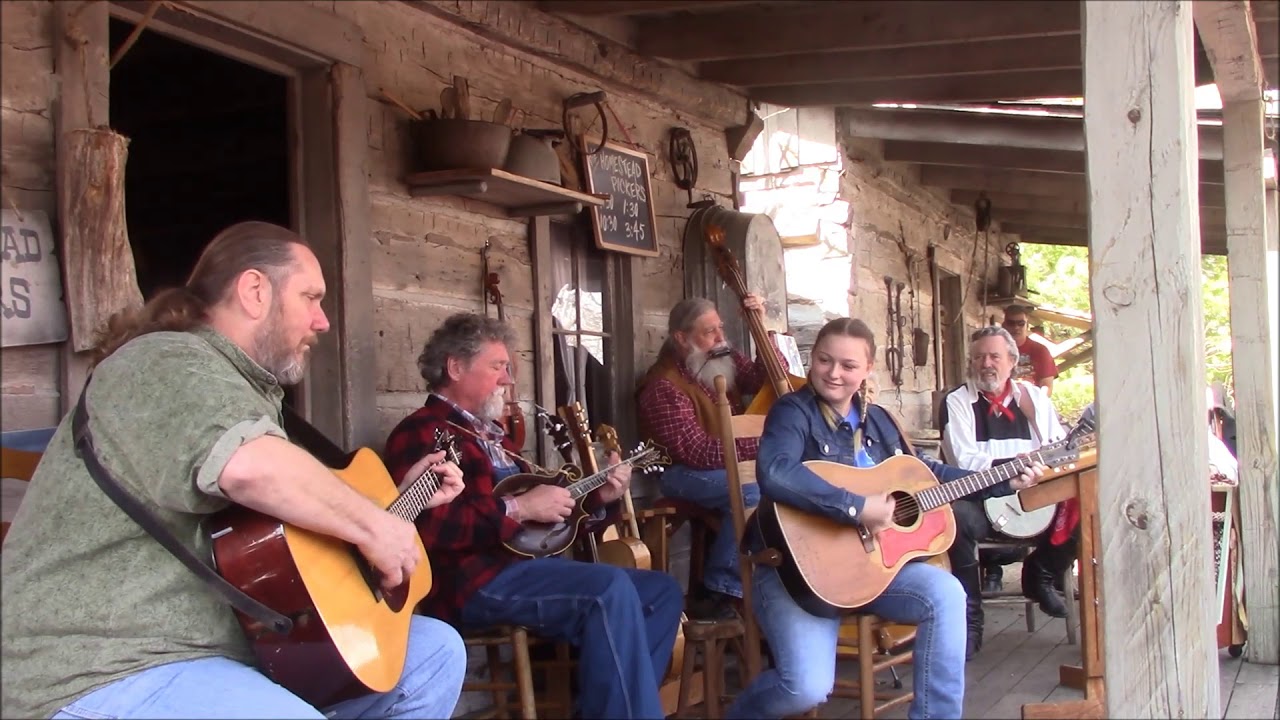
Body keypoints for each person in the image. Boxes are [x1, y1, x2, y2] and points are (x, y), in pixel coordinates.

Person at [1, 221, 467, 719]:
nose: (322, 321)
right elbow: (248, 467)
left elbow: (275, 530)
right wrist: (375, 525)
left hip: (230, 647)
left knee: (433, 654)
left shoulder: (241, 390)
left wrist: (399, 500)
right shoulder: (165, 360)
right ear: (254, 291)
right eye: (310, 297)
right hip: (105, 664)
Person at [726, 318, 1047, 719]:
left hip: (874, 567)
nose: (834, 373)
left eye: (848, 365)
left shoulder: (878, 419)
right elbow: (775, 473)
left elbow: (925, 475)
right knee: (804, 688)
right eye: (825, 360)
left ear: (868, 369)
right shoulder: (792, 412)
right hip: (798, 573)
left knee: (947, 594)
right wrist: (855, 506)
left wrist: (1002, 478)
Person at [384, 313, 684, 720]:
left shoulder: (496, 438)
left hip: (525, 569)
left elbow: (546, 524)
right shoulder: (422, 432)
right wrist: (521, 507)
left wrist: (600, 498)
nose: (508, 379)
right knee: (607, 591)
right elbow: (433, 528)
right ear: (455, 367)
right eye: (497, 367)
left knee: (661, 592)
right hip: (470, 581)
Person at [636, 294, 782, 619]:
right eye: (709, 331)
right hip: (680, 473)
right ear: (682, 338)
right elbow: (697, 452)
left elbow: (770, 377)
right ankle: (722, 588)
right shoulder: (663, 387)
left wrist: (761, 326)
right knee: (751, 492)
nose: (720, 338)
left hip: (726, 462)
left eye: (721, 328)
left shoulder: (718, 358)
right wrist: (764, 445)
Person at [940, 325, 1077, 659]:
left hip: (1034, 501)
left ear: (1012, 361)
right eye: (979, 357)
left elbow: (1058, 449)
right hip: (983, 502)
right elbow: (964, 460)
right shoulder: (957, 401)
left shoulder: (1035, 400)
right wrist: (1017, 464)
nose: (986, 364)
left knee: (1085, 502)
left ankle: (1040, 571)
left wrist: (1043, 464)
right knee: (954, 517)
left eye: (994, 356)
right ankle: (971, 622)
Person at [1002, 304, 1058, 395]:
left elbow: (1047, 386)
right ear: (1004, 325)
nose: (1016, 327)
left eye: (1021, 323)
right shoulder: (996, 350)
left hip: (1031, 402)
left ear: (1027, 326)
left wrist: (1038, 405)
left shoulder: (1040, 350)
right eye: (1011, 323)